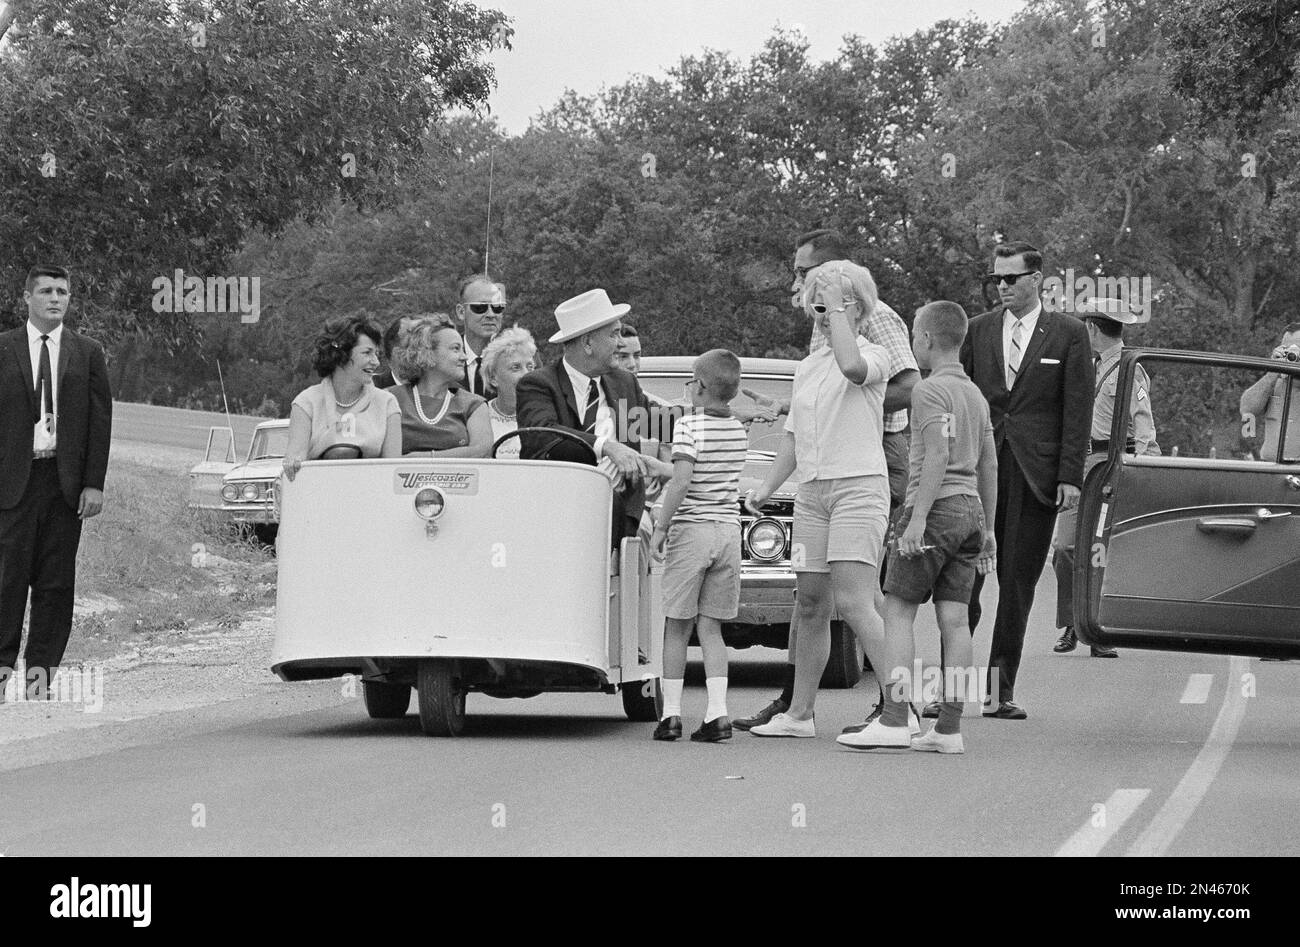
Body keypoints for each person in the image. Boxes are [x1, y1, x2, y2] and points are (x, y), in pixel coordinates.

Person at [735, 228, 920, 733]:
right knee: (811, 602)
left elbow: (855, 368)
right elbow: (794, 435)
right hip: (813, 491)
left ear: (852, 301)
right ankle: (799, 712)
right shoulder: (810, 364)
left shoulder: (870, 343)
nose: (807, 294)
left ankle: (902, 711)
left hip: (859, 483)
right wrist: (766, 489)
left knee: (857, 600)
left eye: (819, 291)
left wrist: (840, 306)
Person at [837, 302, 997, 752]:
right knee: (955, 620)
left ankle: (893, 718)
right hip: (969, 511)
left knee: (897, 611)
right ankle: (949, 729)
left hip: (934, 510)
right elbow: (989, 463)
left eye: (913, 338)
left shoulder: (928, 391)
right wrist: (988, 527)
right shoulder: (976, 397)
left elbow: (939, 455)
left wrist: (917, 520)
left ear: (925, 340)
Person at [955, 241, 1093, 720]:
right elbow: (964, 398)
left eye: (1011, 278)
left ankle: (998, 691)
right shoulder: (978, 330)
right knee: (964, 580)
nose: (1003, 287)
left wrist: (1070, 476)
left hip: (1038, 473)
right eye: (997, 279)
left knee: (1017, 584)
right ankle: (950, 692)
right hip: (980, 470)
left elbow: (1078, 408)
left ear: (1037, 279)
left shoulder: (1070, 334)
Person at [0, 264, 112, 701]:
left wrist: (93, 483)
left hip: (64, 486)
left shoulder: (87, 353)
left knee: (55, 584)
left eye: (62, 292)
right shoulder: (5, 348)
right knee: (7, 582)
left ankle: (39, 681)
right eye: (45, 291)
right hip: (12, 484)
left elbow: (100, 423)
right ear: (26, 297)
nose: (55, 298)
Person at [516, 289, 667, 548]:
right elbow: (541, 435)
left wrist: (720, 414)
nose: (621, 343)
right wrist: (607, 446)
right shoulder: (538, 384)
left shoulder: (623, 382)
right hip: (558, 514)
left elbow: (654, 421)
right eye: (614, 334)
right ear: (587, 343)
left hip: (621, 514)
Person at [1053, 298, 1160, 657]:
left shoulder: (1131, 368)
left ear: (1093, 329)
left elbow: (1143, 421)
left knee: (1099, 546)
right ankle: (1072, 622)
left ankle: (1097, 631)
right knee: (1065, 546)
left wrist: (1145, 467)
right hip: (1076, 462)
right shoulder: (1085, 365)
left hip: (1108, 460)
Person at [650, 349, 748, 743]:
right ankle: (718, 714)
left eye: (691, 381)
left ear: (702, 387)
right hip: (728, 531)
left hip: (692, 530)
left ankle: (671, 714)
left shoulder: (689, 427)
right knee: (712, 629)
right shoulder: (739, 430)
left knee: (677, 625)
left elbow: (681, 481)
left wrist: (661, 526)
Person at [283, 314, 402, 480]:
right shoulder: (306, 402)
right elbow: (295, 462)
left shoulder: (387, 403)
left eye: (377, 354)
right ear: (341, 355)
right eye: (367, 353)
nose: (375, 362)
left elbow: (393, 471)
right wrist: (292, 463)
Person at [389, 315, 493, 457]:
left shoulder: (474, 405)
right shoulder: (390, 399)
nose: (464, 357)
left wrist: (421, 458)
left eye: (463, 350)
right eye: (456, 349)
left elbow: (482, 451)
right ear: (428, 353)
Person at [1240, 323, 1300, 463]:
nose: (1294, 355)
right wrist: (1273, 371)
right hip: (1271, 470)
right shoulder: (1274, 384)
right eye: (1287, 350)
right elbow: (1247, 409)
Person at [480, 327, 538, 459]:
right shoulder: (479, 416)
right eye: (515, 367)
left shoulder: (546, 414)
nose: (526, 375)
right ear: (493, 378)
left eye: (530, 367)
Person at [455, 274, 508, 398]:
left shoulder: (518, 355)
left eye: (497, 307)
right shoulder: (444, 357)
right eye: (480, 307)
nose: (491, 314)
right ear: (461, 312)